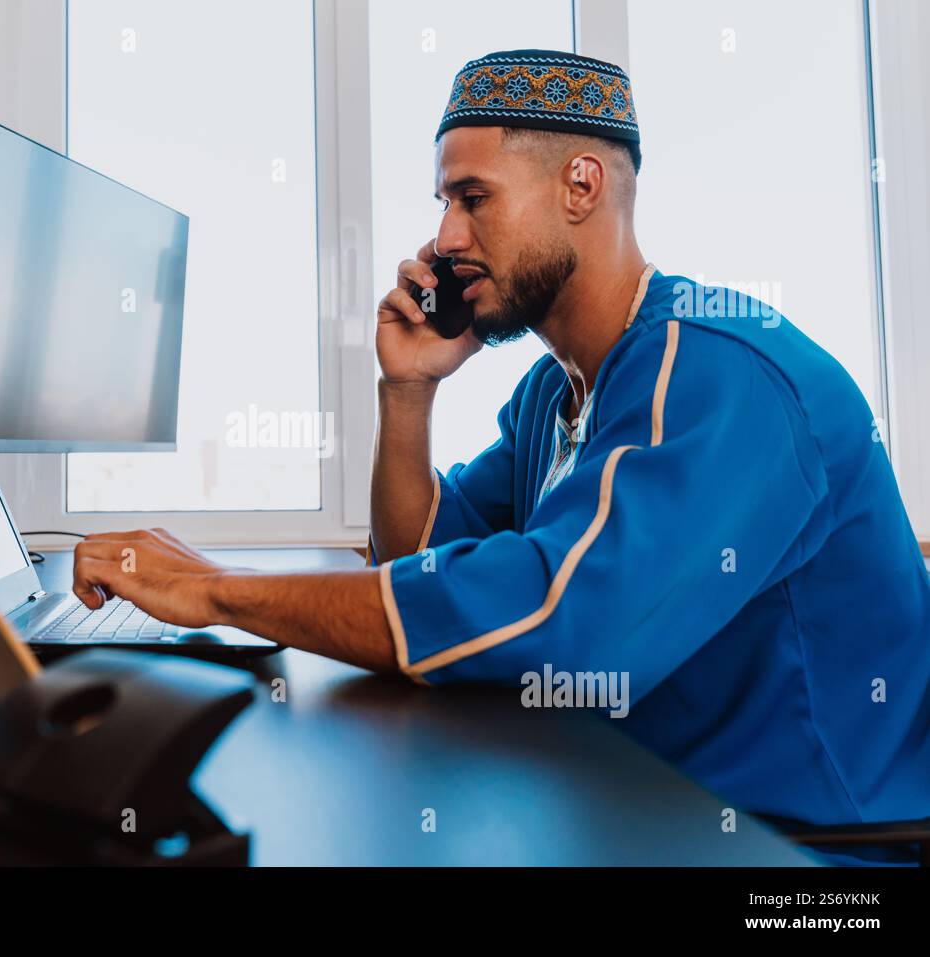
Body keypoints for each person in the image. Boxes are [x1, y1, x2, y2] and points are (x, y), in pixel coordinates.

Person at [71, 49, 930, 858]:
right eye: (444, 202)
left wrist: (217, 591)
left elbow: (562, 623)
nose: (443, 236)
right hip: (647, 801)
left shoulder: (715, 372)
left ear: (580, 185)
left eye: (471, 197)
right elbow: (424, 561)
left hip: (808, 852)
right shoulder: (559, 393)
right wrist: (407, 392)